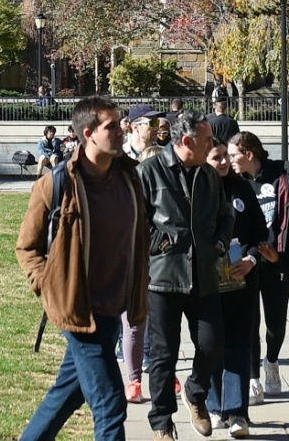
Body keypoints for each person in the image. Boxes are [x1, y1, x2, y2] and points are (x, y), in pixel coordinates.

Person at [15, 96, 151, 441]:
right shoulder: (57, 184)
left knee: (66, 395)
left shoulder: (130, 180)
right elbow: (27, 247)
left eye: (122, 123)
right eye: (112, 126)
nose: (122, 131)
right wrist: (49, 286)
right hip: (77, 309)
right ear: (88, 133)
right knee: (110, 405)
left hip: (113, 310)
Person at [138, 109, 233, 441]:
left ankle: (195, 393)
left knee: (212, 344)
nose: (212, 145)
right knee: (164, 354)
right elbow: (134, 221)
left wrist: (220, 242)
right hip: (163, 278)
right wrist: (158, 242)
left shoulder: (208, 174)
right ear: (188, 141)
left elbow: (225, 216)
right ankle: (162, 422)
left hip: (203, 275)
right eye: (207, 140)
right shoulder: (149, 172)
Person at [228, 130, 289, 400]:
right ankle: (252, 377)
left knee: (275, 323)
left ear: (250, 154)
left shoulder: (281, 176)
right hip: (246, 261)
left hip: (275, 259)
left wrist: (282, 256)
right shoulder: (235, 182)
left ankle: (271, 361)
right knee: (249, 322)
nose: (230, 160)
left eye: (234, 154)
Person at [204, 137, 267, 439]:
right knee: (212, 344)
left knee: (240, 344)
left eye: (226, 157)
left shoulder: (242, 188)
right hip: (207, 283)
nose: (225, 162)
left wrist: (252, 259)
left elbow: (260, 232)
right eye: (217, 158)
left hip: (242, 280)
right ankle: (215, 406)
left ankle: (238, 412)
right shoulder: (196, 191)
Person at [120, 110, 163, 400]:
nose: (157, 127)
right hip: (129, 256)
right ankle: (133, 375)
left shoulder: (161, 156)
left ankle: (159, 370)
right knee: (132, 320)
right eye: (151, 123)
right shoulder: (121, 159)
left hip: (159, 258)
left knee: (156, 319)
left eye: (159, 123)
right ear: (135, 127)